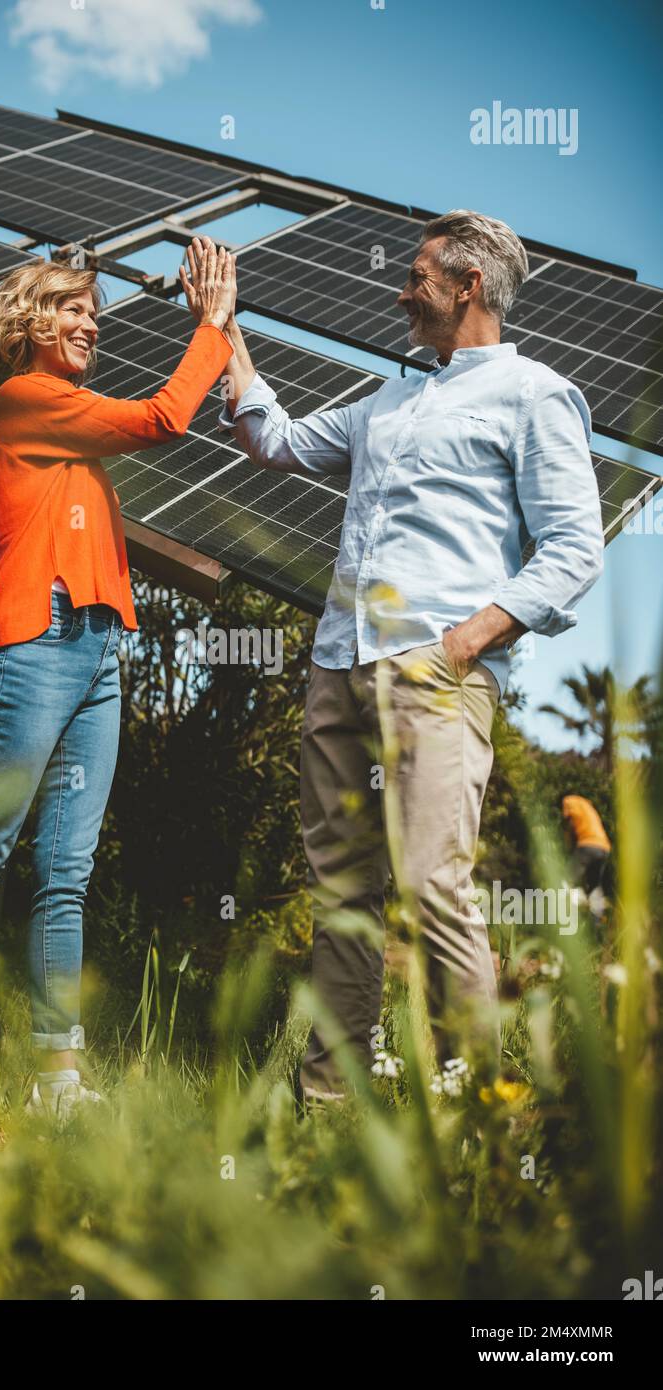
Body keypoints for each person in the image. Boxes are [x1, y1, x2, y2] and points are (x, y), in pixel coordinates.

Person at [204, 208, 605, 1101]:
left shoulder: (533, 394)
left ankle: (471, 1108)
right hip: (341, 663)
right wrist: (224, 330)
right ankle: (329, 1099)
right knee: (341, 895)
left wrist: (465, 641)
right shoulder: (388, 401)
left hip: (435, 669)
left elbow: (575, 545)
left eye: (416, 277)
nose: (399, 290)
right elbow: (273, 439)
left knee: (431, 888)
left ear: (466, 286)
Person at [0, 245, 237, 1119]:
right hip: (33, 639)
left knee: (66, 869)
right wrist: (212, 323)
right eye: (74, 310)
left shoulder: (67, 423)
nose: (91, 325)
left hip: (97, 643)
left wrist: (219, 335)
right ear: (30, 322)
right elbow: (162, 418)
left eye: (95, 314)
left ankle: (56, 1078)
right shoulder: (22, 401)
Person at [561, 793, 611, 918]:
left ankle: (569, 914)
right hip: (604, 847)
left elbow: (570, 824)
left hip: (588, 844)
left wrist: (569, 844)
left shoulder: (568, 801)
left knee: (566, 880)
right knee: (595, 885)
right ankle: (598, 921)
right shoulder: (587, 805)